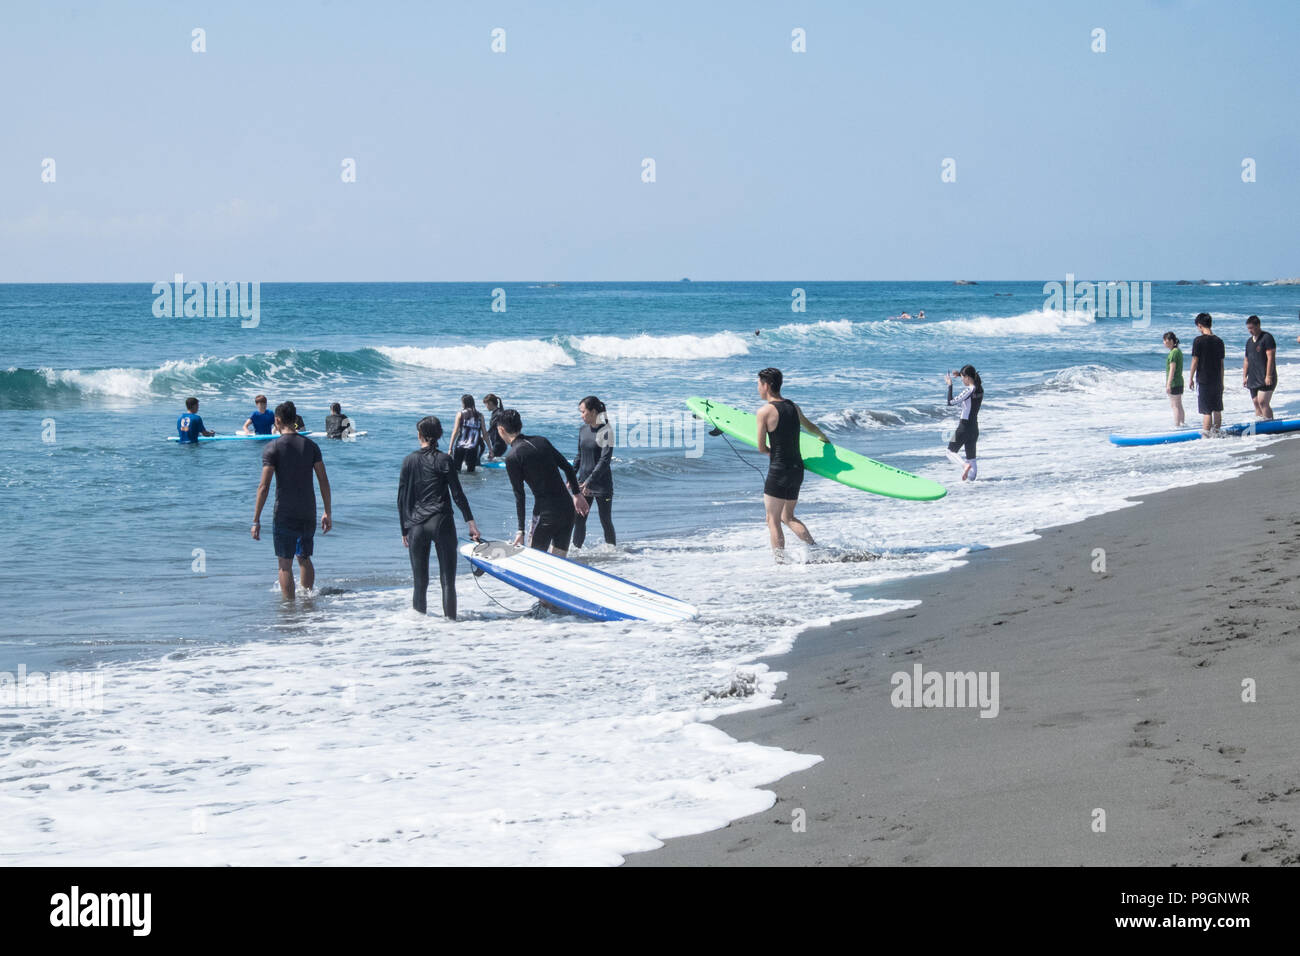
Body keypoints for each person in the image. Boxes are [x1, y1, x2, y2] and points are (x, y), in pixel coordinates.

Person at [398, 416, 481, 618]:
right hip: (441, 521)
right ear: (439, 435)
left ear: (420, 435)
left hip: (416, 525)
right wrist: (471, 523)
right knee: (447, 581)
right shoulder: (445, 460)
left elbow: (401, 498)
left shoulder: (409, 460)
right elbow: (458, 494)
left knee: (420, 582)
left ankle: (420, 628)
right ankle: (450, 627)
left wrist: (404, 529)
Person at [252, 401, 332, 599]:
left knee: (284, 564)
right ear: (295, 419)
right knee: (304, 557)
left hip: (284, 512)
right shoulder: (311, 446)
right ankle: (307, 600)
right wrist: (327, 511)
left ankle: (289, 611)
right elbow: (324, 481)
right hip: (308, 511)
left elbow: (264, 487)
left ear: (277, 420)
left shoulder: (273, 448)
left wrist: (256, 519)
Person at [756, 367, 829, 560]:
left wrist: (774, 453)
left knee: (773, 519)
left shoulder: (764, 412)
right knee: (787, 517)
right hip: (797, 469)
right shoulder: (793, 407)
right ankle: (816, 550)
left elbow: (762, 448)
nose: (758, 388)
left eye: (759, 384)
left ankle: (780, 561)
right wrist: (824, 439)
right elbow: (811, 427)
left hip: (778, 471)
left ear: (767, 385)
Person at [498, 408, 589, 556]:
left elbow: (519, 495)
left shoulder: (512, 457)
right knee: (558, 562)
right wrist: (577, 494)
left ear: (501, 429)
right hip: (567, 509)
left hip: (546, 514)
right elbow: (568, 467)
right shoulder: (541, 441)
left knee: (535, 561)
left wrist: (520, 530)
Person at [572, 396, 615, 549]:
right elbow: (579, 456)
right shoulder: (583, 430)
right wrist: (571, 476)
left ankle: (612, 553)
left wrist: (589, 481)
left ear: (593, 411)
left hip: (601, 485)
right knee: (579, 519)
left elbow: (604, 460)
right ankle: (576, 553)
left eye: (583, 412)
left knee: (605, 520)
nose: (581, 415)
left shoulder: (606, 431)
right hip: (583, 483)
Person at [944, 365, 983, 482]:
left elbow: (950, 402)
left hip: (964, 427)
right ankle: (971, 481)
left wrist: (950, 385)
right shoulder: (980, 389)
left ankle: (964, 466)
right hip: (974, 428)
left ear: (967, 377)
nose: (962, 380)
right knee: (971, 459)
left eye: (962, 378)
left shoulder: (969, 390)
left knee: (949, 452)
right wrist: (960, 374)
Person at [1189, 312, 1225, 434]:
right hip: (1216, 380)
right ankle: (1217, 433)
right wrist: (1222, 381)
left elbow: (1195, 360)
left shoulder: (1198, 341)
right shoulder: (1219, 341)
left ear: (1200, 325)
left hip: (1204, 379)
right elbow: (1221, 364)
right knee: (1217, 409)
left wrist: (1190, 378)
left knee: (1207, 411)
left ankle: (1206, 438)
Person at [1242, 315, 1276, 420]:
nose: (1250, 331)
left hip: (1265, 376)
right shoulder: (1249, 341)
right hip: (1253, 377)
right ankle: (1261, 427)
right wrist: (1244, 376)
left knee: (1263, 402)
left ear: (1258, 326)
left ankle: (1270, 424)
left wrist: (1268, 375)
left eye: (1252, 328)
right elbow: (1246, 360)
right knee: (1256, 403)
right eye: (1248, 328)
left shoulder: (1267, 337)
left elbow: (1271, 357)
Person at [449, 394, 487, 472]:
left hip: (460, 446)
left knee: (457, 470)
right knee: (471, 471)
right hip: (473, 447)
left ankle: (461, 484)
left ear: (464, 403)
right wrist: (490, 449)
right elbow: (485, 433)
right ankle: (472, 484)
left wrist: (450, 448)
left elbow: (455, 431)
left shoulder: (460, 414)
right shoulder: (480, 415)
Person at [1164, 332, 1185, 427]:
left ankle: (1177, 426)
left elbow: (1172, 369)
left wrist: (1168, 384)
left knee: (1174, 406)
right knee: (1179, 404)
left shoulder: (1173, 353)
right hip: (1180, 381)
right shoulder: (1178, 351)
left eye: (1166, 340)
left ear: (1172, 341)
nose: (1164, 342)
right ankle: (1182, 424)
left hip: (1174, 383)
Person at [483, 394, 508, 460]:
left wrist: (484, 436)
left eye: (486, 404)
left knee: (490, 459)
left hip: (499, 444)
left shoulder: (498, 413)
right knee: (493, 459)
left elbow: (493, 427)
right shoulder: (497, 412)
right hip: (499, 444)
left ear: (490, 403)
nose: (486, 407)